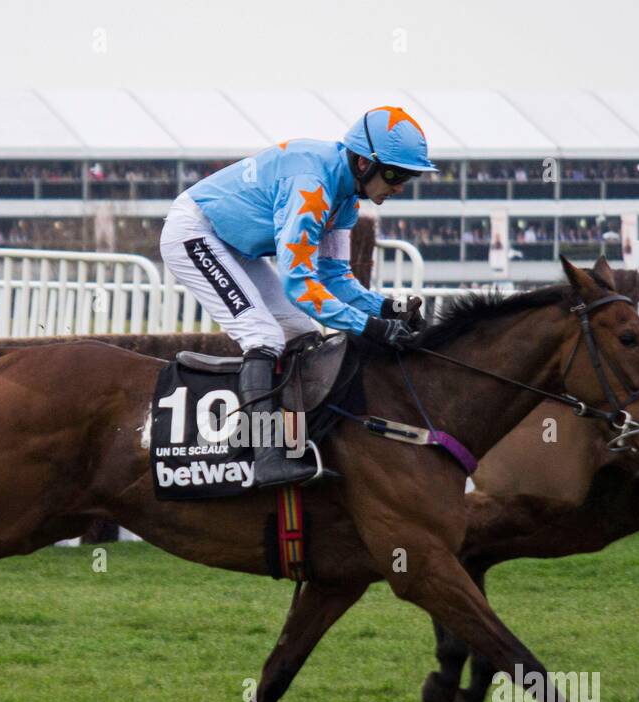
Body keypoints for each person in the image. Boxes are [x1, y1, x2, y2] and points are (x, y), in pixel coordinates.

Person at [160, 106, 434, 487]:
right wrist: (371, 327)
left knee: (298, 330)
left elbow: (334, 278)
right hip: (195, 232)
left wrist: (388, 309)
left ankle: (297, 442)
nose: (400, 185)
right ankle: (264, 458)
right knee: (264, 336)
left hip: (234, 245)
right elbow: (299, 285)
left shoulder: (345, 200)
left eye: (409, 176)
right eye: (394, 173)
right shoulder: (312, 187)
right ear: (361, 162)